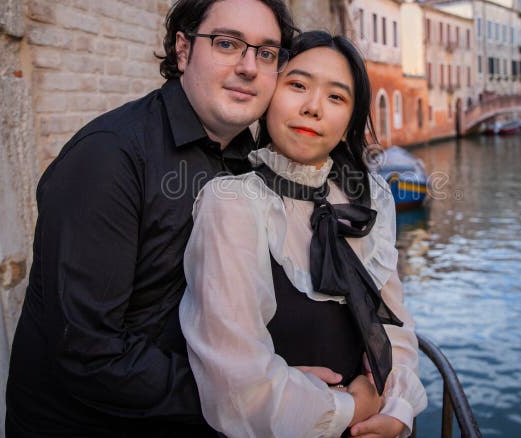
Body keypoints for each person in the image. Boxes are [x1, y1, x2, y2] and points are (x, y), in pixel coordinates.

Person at [5, 0, 300, 436]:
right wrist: (253, 395)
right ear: (183, 50)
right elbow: (88, 353)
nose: (249, 67)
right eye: (227, 44)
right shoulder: (108, 156)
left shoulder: (251, 161)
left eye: (266, 53)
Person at [180, 31, 428, 437]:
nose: (313, 107)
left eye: (336, 97)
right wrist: (350, 407)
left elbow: (394, 323)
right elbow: (236, 383)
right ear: (270, 94)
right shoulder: (232, 203)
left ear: (349, 121)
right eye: (297, 85)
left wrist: (398, 408)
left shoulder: (370, 195)